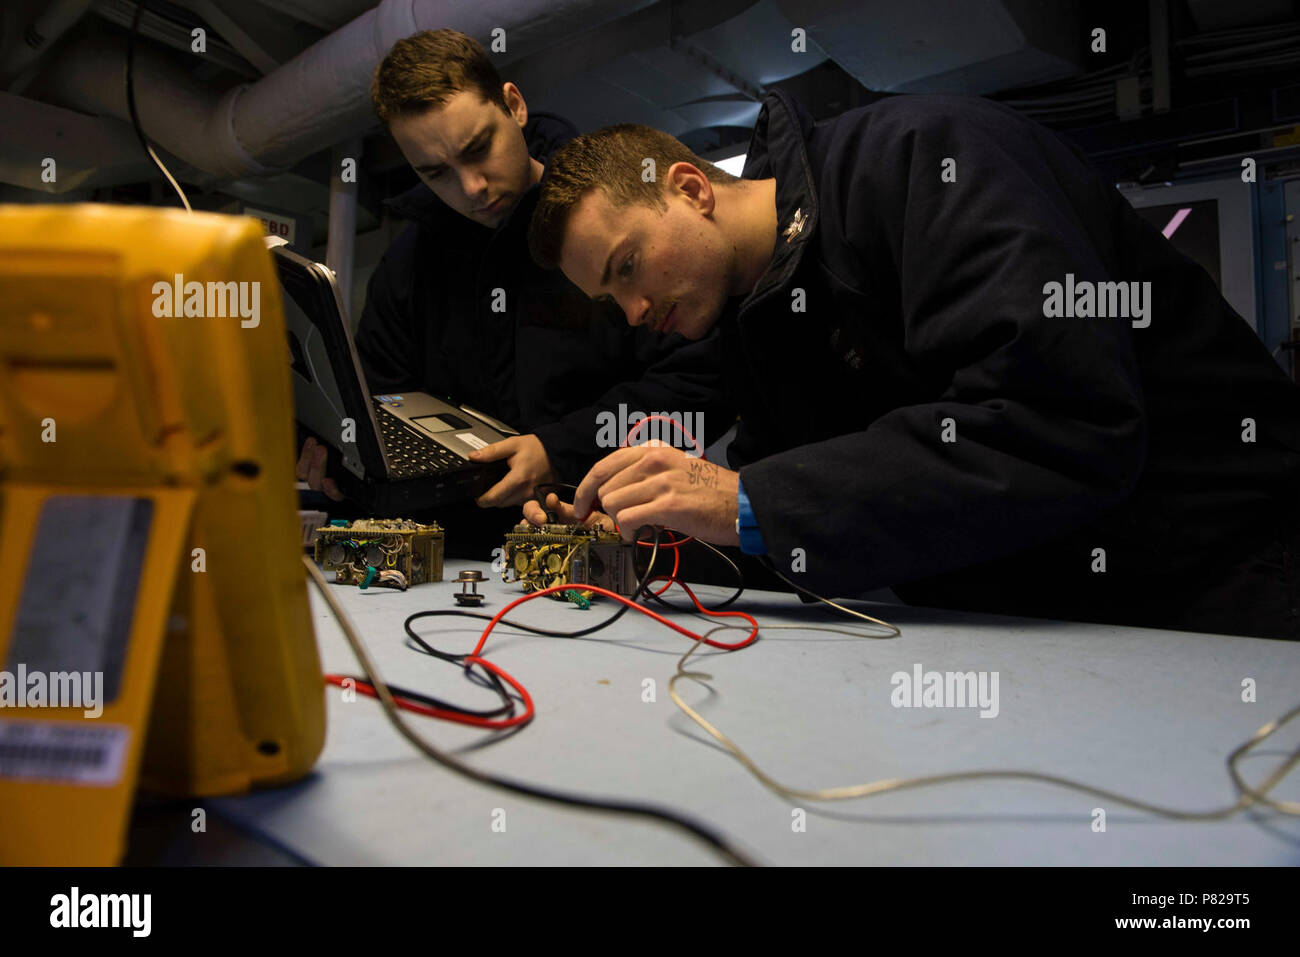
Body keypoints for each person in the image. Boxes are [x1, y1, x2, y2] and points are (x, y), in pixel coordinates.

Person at [522, 89, 1300, 639]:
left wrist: (746, 497)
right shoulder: (755, 320)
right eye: (606, 298)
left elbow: (1060, 420)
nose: (629, 314)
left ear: (689, 189)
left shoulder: (923, 154)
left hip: (1224, 577)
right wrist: (646, 536)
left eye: (626, 267)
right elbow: (812, 525)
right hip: (1049, 627)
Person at [296, 30, 733, 553]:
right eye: (435, 173)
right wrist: (347, 460)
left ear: (514, 105)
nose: (471, 188)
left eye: (478, 149)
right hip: (455, 563)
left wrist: (559, 449)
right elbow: (377, 402)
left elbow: (702, 384)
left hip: (612, 550)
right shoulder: (409, 264)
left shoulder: (606, 221)